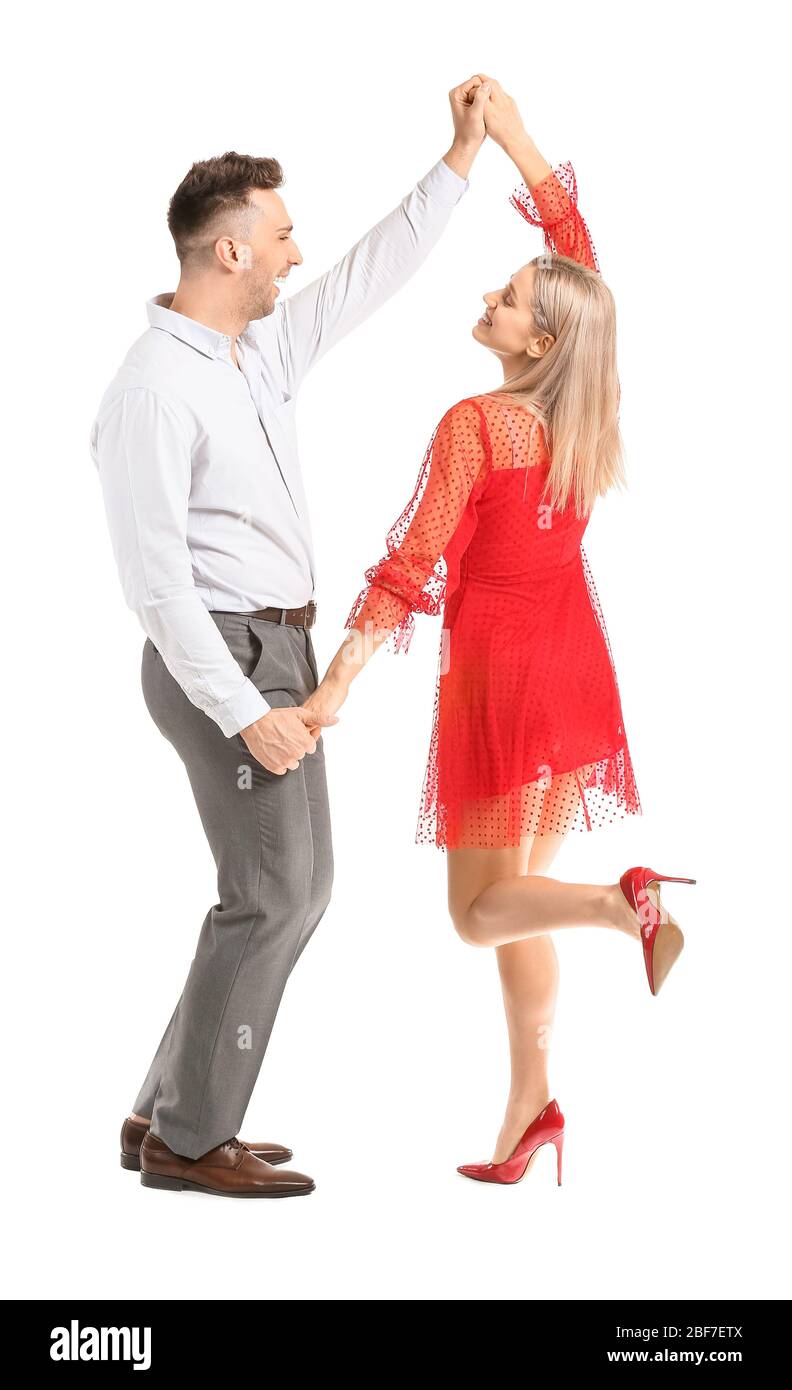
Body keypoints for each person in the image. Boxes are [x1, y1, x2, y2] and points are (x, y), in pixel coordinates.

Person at [91, 76, 492, 1198]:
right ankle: (188, 1139)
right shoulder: (154, 392)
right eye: (278, 235)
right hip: (216, 657)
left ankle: (162, 1110)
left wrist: (456, 161)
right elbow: (156, 585)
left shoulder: (250, 354)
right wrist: (244, 708)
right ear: (227, 255)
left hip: (282, 652)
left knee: (298, 887)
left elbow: (369, 271)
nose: (297, 253)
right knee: (273, 893)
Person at [304, 79, 696, 1187]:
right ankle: (533, 1105)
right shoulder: (587, 401)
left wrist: (340, 679)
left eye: (512, 296)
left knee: (479, 913)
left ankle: (626, 908)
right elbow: (581, 264)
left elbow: (409, 567)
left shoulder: (476, 426)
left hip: (501, 684)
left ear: (541, 336)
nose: (493, 293)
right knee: (513, 905)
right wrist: (510, 134)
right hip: (574, 672)